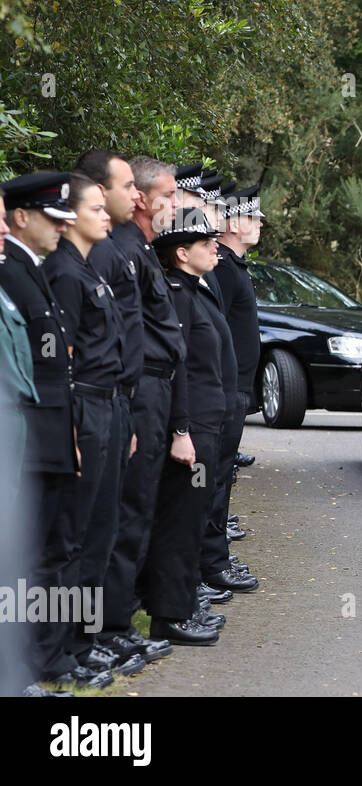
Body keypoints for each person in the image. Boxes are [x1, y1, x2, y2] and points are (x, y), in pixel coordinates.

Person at [0, 173, 107, 688]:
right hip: (31, 444)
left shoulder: (31, 269)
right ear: (22, 217)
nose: (60, 228)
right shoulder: (11, 273)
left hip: (52, 439)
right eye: (52, 218)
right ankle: (30, 663)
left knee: (57, 548)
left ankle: (51, 654)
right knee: (33, 556)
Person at [41, 172, 143, 676]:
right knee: (77, 536)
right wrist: (79, 426)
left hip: (109, 405)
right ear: (70, 217)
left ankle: (86, 641)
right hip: (86, 406)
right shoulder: (64, 272)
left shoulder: (89, 269)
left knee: (100, 531)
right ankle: (67, 650)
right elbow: (67, 357)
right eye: (96, 209)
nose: (107, 216)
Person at [105, 157, 188, 657]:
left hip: (154, 391)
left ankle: (120, 618)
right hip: (138, 392)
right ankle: (111, 625)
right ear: (141, 197)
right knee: (129, 510)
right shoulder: (124, 253)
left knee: (140, 508)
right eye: (170, 195)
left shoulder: (141, 251)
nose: (175, 204)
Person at [142, 208, 228, 645]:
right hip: (191, 429)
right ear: (181, 253)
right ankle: (170, 616)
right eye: (205, 243)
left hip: (206, 424)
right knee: (180, 520)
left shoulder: (193, 290)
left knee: (193, 516)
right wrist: (181, 430)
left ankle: (183, 605)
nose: (216, 247)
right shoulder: (177, 293)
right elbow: (174, 366)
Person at [202, 184, 264, 591]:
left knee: (221, 479)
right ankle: (211, 562)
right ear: (233, 222)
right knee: (214, 480)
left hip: (235, 387)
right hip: (225, 388)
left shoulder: (232, 265)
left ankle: (214, 557)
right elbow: (210, 330)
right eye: (253, 217)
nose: (259, 223)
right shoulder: (222, 266)